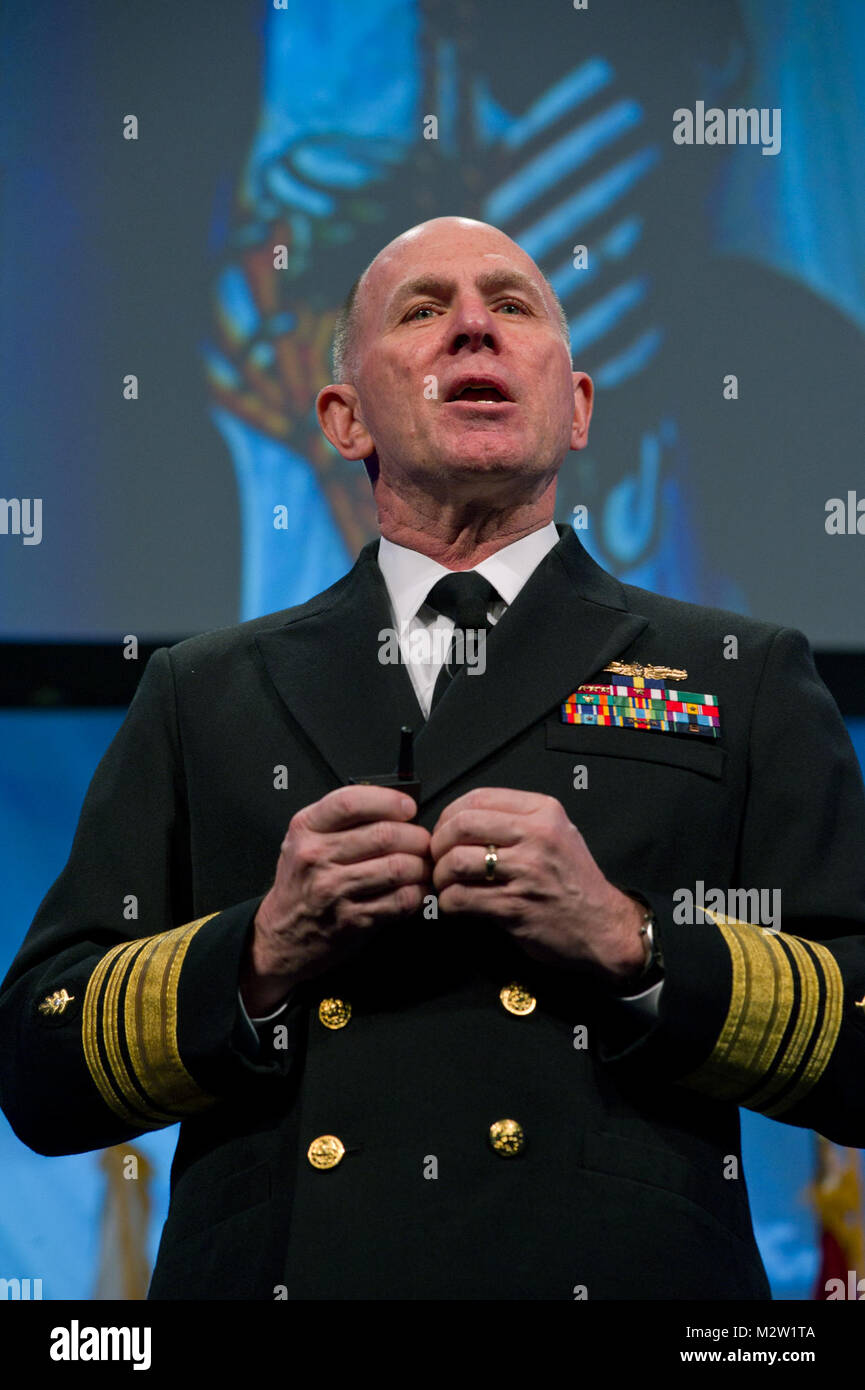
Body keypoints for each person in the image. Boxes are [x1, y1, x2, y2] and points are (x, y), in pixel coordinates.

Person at [2, 216, 865, 1301]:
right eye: (422, 310)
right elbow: (40, 1063)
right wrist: (258, 952)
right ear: (343, 416)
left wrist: (635, 943)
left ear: (579, 405)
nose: (471, 327)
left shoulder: (738, 675)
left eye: (512, 305)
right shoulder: (202, 690)